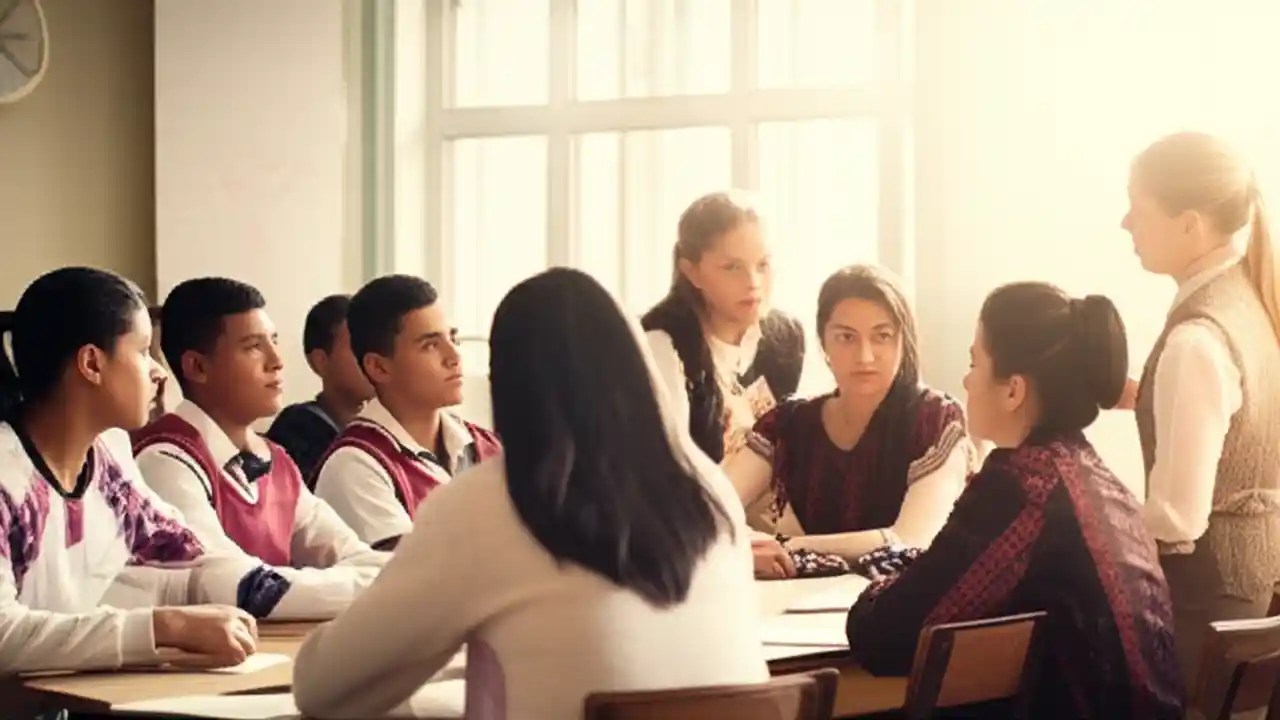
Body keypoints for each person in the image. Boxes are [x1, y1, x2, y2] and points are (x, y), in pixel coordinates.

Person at [292, 269, 767, 720]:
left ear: (510, 384)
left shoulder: (491, 499)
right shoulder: (709, 488)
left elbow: (325, 685)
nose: (455, 357)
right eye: (431, 343)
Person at [846, 282, 1184, 719]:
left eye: (975, 362)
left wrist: (877, 586)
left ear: (1013, 390)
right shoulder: (1099, 479)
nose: (966, 379)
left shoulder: (1024, 486)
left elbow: (885, 636)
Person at [0, 267, 262, 675]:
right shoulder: (6, 476)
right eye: (143, 352)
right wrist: (163, 627)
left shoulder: (108, 457)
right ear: (91, 363)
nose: (159, 371)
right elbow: (3, 634)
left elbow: (191, 553)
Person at [1120, 131, 1280, 679]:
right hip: (1250, 606)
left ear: (1190, 223)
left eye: (1137, 209)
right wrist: (1142, 397)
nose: (1126, 224)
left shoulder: (1196, 340)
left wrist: (1092, 517)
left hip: (1200, 619)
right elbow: (1238, 424)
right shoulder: (1250, 302)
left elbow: (1177, 518)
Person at [133, 278, 385, 621]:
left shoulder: (275, 460)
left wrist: (385, 580)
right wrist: (382, 586)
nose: (277, 360)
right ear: (197, 367)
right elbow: (238, 588)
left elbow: (353, 554)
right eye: (253, 346)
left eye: (275, 341)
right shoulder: (164, 461)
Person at [724, 265, 972, 578]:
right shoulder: (790, 423)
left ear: (903, 341)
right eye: (846, 337)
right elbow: (711, 508)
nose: (865, 356)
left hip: (900, 610)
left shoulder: (934, 419)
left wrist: (783, 546)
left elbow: (910, 540)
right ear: (823, 342)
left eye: (882, 336)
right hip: (803, 608)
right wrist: (741, 545)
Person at [312, 275, 500, 549]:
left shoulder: (487, 447)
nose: (454, 356)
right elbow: (418, 582)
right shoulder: (355, 466)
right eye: (430, 345)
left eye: (453, 338)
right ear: (379, 367)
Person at [642, 191, 805, 466]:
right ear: (691, 272)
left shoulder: (785, 339)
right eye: (732, 267)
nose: (753, 282)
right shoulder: (662, 347)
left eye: (763, 264)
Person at [267, 294, 374, 482]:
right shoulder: (298, 429)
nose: (372, 359)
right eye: (358, 347)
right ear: (320, 361)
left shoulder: (385, 424)